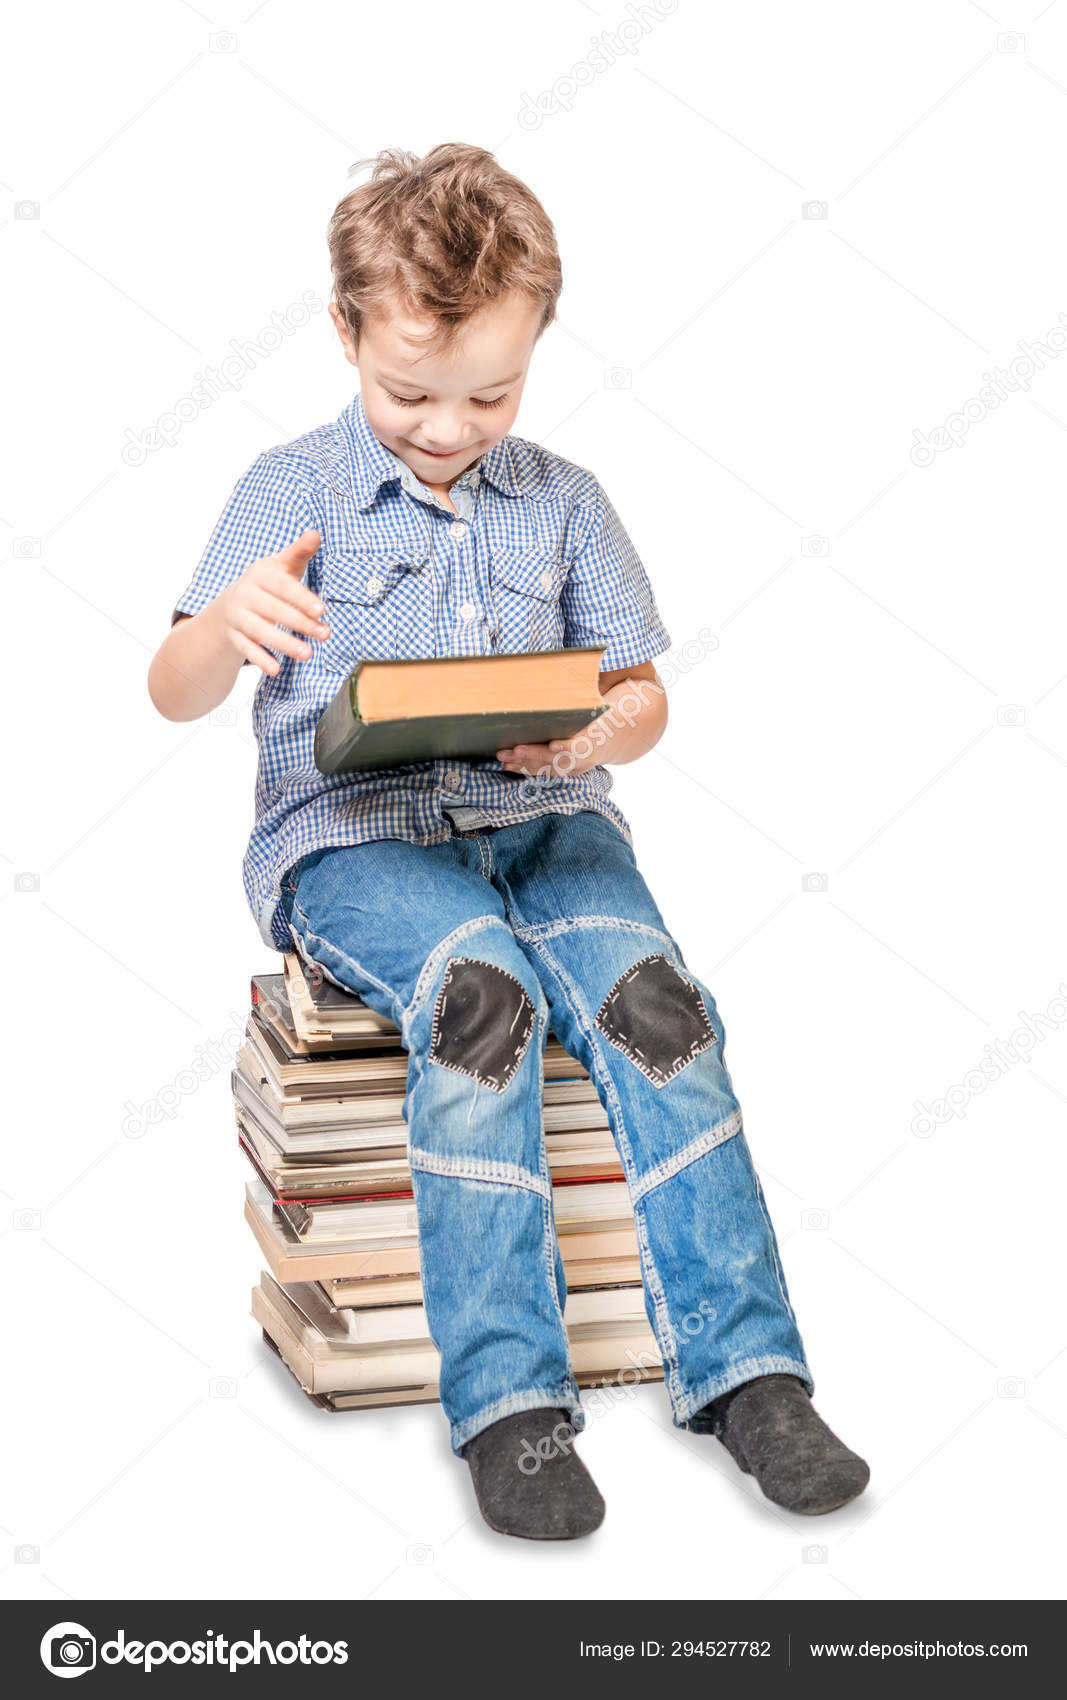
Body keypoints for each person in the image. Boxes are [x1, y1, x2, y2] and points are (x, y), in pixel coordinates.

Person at [148, 143, 869, 1540]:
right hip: (357, 839)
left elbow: (644, 694)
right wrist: (224, 629)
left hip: (548, 825)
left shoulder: (565, 502)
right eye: (411, 392)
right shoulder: (284, 488)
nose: (447, 424)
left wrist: (592, 737)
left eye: (492, 391)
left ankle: (750, 1377)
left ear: (536, 346)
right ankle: (513, 1408)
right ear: (347, 332)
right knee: (481, 996)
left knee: (657, 1005)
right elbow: (169, 682)